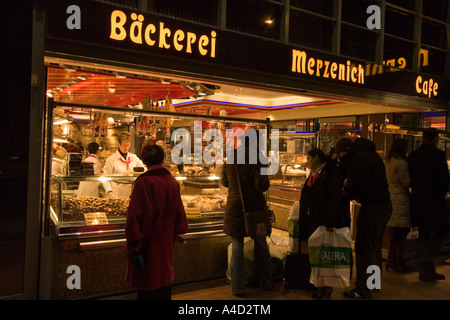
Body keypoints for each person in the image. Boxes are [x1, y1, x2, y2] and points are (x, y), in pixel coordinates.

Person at [124, 144, 188, 300]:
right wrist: (178, 230)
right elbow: (180, 214)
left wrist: (132, 244)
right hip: (166, 240)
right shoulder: (172, 181)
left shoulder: (144, 182)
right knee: (164, 280)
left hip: (148, 242)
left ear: (144, 162)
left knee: (148, 284)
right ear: (162, 159)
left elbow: (136, 216)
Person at [221, 137, 272, 296]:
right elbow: (261, 185)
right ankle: (266, 282)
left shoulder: (231, 157)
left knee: (237, 245)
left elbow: (225, 182)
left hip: (235, 207)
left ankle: (238, 287)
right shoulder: (259, 158)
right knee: (261, 243)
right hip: (255, 208)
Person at [342, 138, 392, 299]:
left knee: (364, 249)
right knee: (375, 248)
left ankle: (363, 289)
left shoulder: (360, 158)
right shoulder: (372, 155)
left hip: (372, 208)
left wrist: (346, 186)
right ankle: (374, 284)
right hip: (383, 206)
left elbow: (359, 185)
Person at [299, 148, 346, 300]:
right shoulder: (315, 174)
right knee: (316, 255)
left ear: (317, 158)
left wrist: (331, 221)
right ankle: (319, 286)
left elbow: (334, 199)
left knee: (325, 256)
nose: (307, 162)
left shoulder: (329, 173)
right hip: (313, 219)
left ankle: (326, 289)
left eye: (309, 159)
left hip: (324, 220)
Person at [408, 128, 449, 282]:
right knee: (441, 231)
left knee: (423, 235)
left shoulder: (414, 155)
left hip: (418, 202)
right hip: (434, 202)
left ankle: (426, 271)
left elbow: (410, 178)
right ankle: (423, 258)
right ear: (435, 139)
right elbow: (444, 179)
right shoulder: (438, 155)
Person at [385, 138, 411, 272]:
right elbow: (406, 182)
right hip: (400, 199)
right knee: (400, 233)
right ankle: (396, 261)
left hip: (391, 197)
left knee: (393, 233)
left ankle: (391, 260)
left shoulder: (388, 161)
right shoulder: (401, 163)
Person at [103, 132, 145, 197]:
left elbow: (143, 169)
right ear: (119, 144)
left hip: (132, 190)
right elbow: (105, 177)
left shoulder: (134, 157)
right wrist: (110, 192)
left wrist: (133, 170)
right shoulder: (111, 159)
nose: (126, 148)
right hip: (117, 192)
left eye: (127, 145)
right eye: (123, 145)